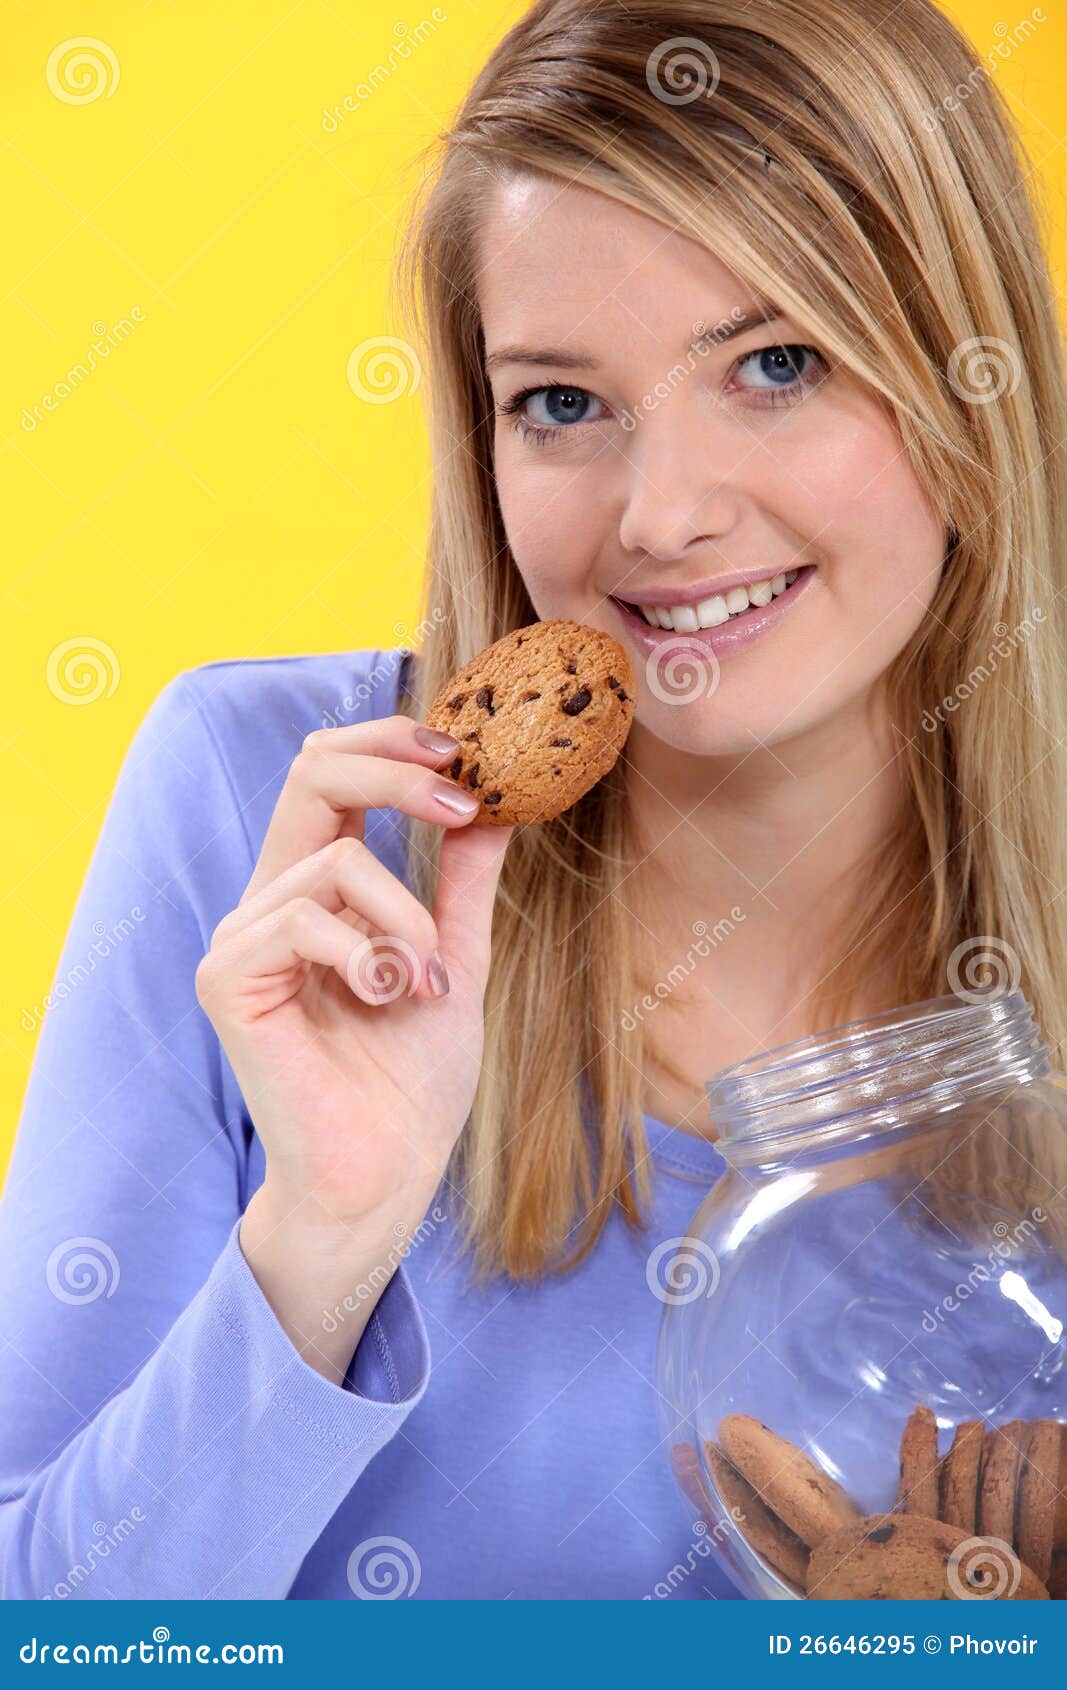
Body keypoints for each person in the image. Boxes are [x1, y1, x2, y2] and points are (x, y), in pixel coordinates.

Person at [2, 0, 1065, 1600]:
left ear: (965, 379)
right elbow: (65, 1638)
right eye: (561, 402)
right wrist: (322, 1242)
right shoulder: (270, 813)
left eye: (778, 363)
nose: (665, 514)